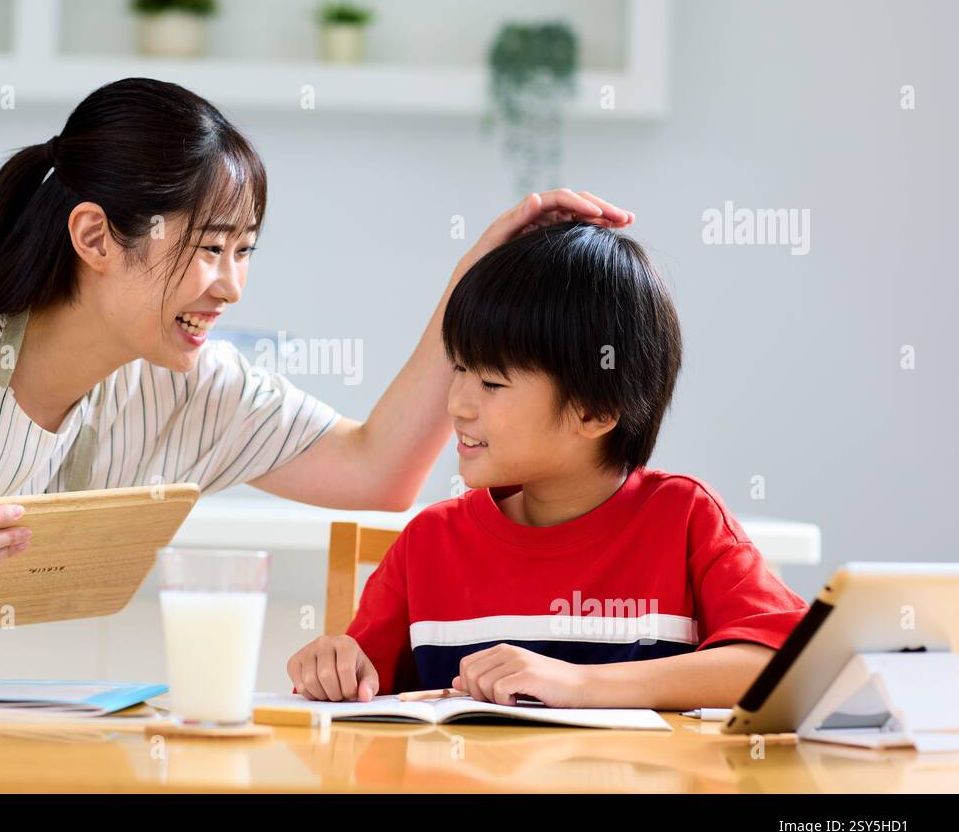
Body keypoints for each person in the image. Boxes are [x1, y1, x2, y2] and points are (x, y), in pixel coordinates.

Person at [0, 77, 631, 679]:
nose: (231, 286)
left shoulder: (190, 380)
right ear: (94, 237)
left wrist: (470, 283)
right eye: (210, 248)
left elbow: (377, 474)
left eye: (246, 250)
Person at [286, 222, 808, 709]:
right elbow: (357, 684)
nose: (458, 404)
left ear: (597, 410)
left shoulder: (684, 518)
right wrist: (333, 665)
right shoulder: (428, 544)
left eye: (492, 383)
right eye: (460, 369)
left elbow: (788, 664)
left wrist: (578, 683)